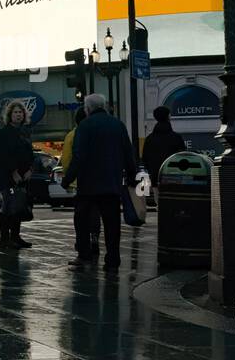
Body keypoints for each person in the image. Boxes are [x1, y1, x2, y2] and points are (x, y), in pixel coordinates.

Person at [62, 93, 138, 267]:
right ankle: (113, 258)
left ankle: (84, 255)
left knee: (81, 220)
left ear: (87, 109)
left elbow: (79, 156)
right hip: (111, 183)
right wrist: (132, 176)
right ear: (104, 106)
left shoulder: (85, 126)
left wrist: (68, 179)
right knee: (112, 223)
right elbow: (128, 153)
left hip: (88, 184)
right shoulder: (118, 125)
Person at [0, 101, 36, 249]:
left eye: (20, 112)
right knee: (8, 206)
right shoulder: (4, 132)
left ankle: (16, 236)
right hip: (9, 175)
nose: (18, 115)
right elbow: (4, 156)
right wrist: (13, 172)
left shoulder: (26, 131)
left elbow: (31, 153)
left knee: (19, 205)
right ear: (10, 115)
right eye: (15, 112)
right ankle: (4, 238)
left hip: (24, 174)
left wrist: (30, 169)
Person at [61, 106, 99, 259]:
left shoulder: (72, 135)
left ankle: (82, 245)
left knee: (81, 215)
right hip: (97, 179)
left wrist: (68, 179)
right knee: (95, 212)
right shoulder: (96, 133)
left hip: (79, 181)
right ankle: (94, 237)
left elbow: (66, 160)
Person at [142, 106, 186, 199]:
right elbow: (183, 157)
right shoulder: (176, 138)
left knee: (159, 205)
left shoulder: (149, 139)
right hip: (174, 178)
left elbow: (145, 159)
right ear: (168, 117)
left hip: (155, 178)